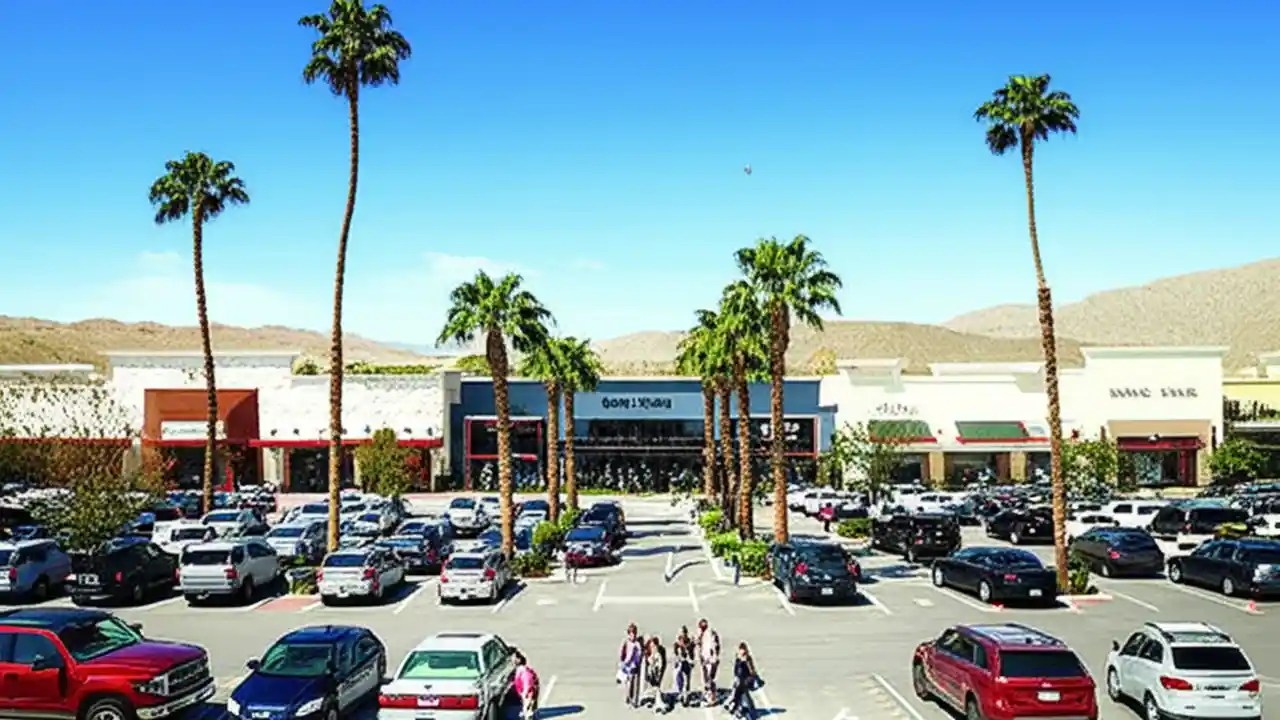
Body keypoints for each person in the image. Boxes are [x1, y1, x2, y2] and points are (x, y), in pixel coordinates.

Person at [729, 642, 759, 718]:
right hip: (740, 679)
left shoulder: (748, 659)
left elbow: (752, 672)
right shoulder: (738, 658)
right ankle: (738, 705)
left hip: (748, 679)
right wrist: (736, 678)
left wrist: (745, 662)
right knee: (741, 692)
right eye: (741, 651)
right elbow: (736, 670)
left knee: (740, 689)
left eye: (743, 651)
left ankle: (736, 705)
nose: (742, 653)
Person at [695, 618, 720, 706]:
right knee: (706, 678)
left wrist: (712, 659)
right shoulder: (702, 634)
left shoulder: (710, 635)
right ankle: (709, 695)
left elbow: (714, 648)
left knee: (710, 679)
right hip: (705, 658)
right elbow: (698, 644)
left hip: (710, 660)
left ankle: (712, 698)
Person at [619, 623, 643, 707]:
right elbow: (622, 652)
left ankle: (634, 699)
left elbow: (639, 654)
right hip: (626, 664)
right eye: (631, 633)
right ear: (628, 634)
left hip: (633, 665)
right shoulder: (626, 642)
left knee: (634, 682)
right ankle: (628, 696)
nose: (633, 635)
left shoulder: (637, 644)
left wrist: (636, 663)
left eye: (634, 633)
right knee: (627, 682)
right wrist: (622, 661)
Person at [671, 626, 695, 707]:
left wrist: (691, 660)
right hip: (680, 663)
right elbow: (675, 654)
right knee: (679, 680)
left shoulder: (690, 642)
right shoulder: (677, 643)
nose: (683, 634)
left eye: (684, 633)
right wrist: (677, 659)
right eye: (682, 633)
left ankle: (686, 697)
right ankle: (681, 693)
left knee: (687, 680)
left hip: (687, 663)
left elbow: (692, 652)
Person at [644, 634, 668, 713]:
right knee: (653, 687)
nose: (653, 648)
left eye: (654, 646)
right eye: (652, 646)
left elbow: (662, 664)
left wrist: (659, 673)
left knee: (657, 687)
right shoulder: (648, 652)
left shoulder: (660, 652)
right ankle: (655, 700)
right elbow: (647, 665)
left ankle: (659, 703)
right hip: (651, 671)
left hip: (658, 670)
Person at [513, 650, 539, 719]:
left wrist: (525, 693)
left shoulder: (523, 671)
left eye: (514, 658)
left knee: (528, 712)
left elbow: (528, 683)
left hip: (528, 694)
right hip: (526, 694)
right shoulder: (521, 670)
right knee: (527, 711)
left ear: (518, 660)